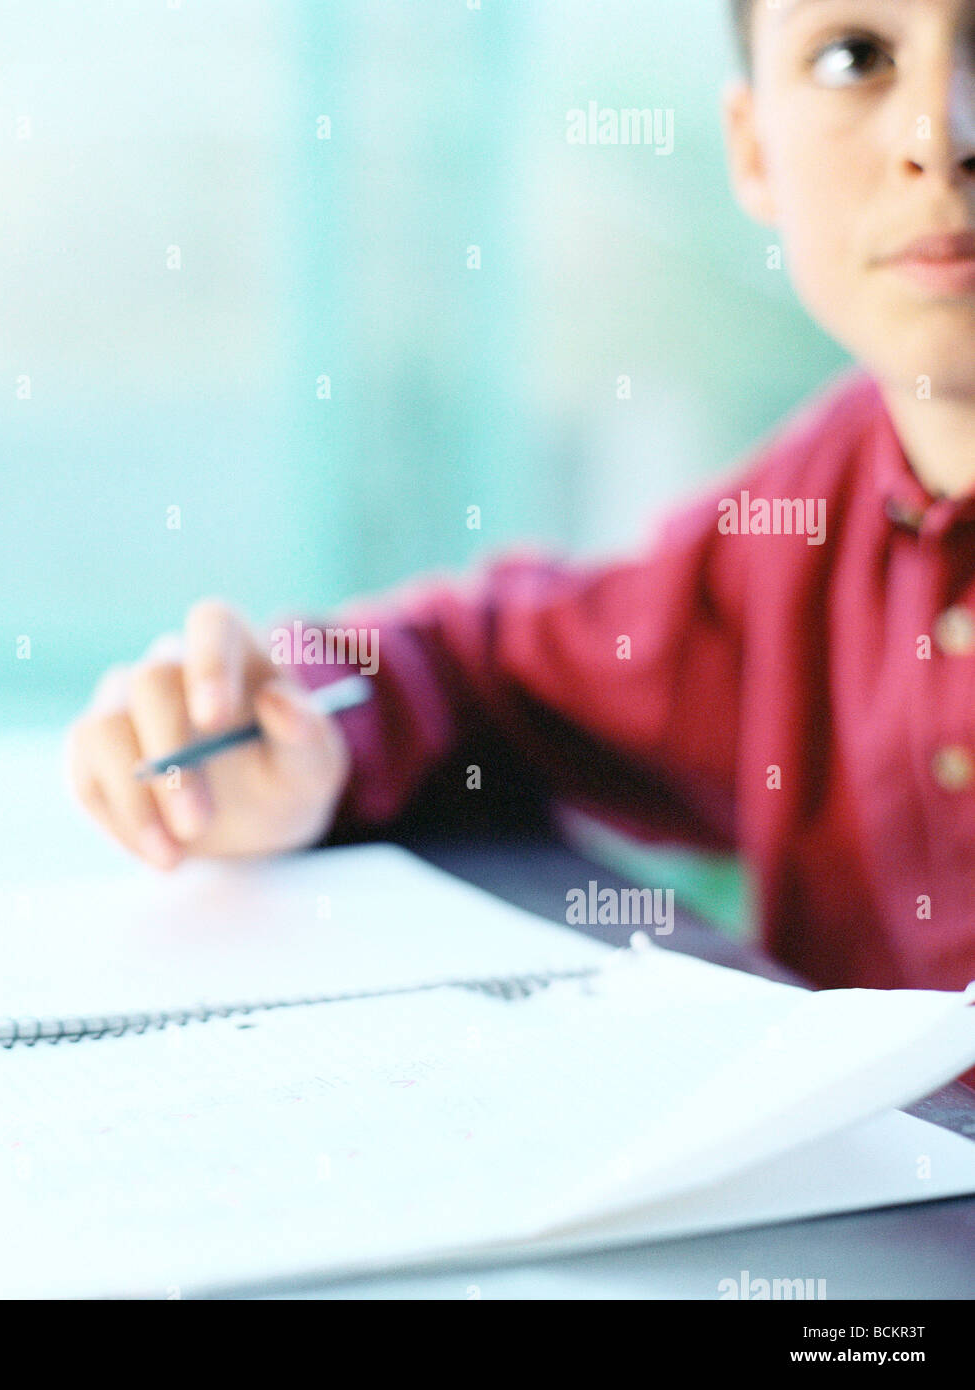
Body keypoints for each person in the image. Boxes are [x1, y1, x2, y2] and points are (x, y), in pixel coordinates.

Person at [67, 0, 975, 1026]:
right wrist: (288, 730)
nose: (939, 136)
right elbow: (486, 670)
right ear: (752, 146)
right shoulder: (810, 516)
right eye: (853, 55)